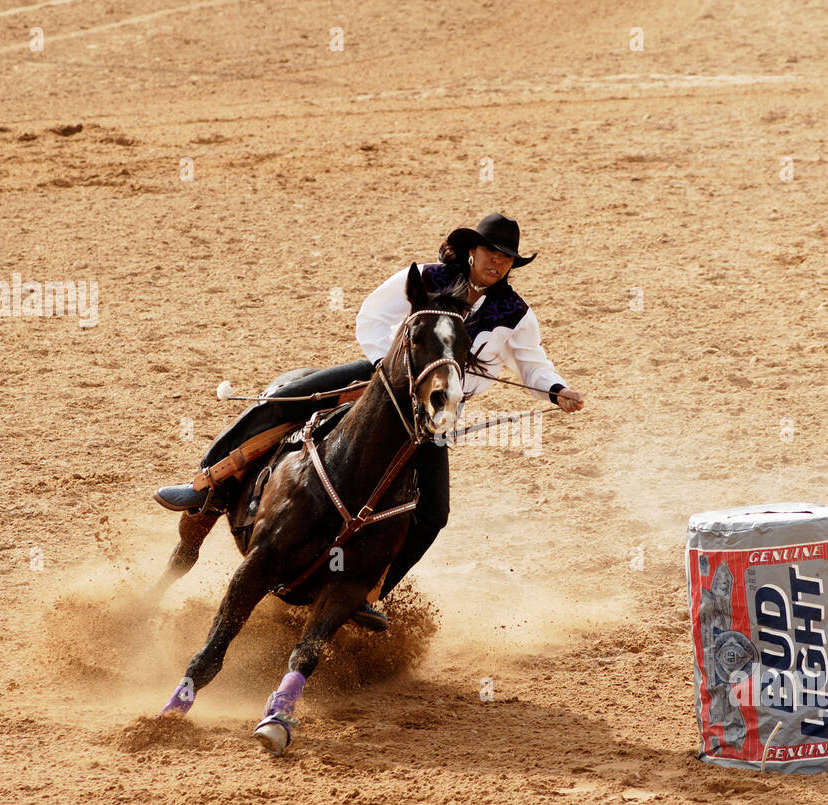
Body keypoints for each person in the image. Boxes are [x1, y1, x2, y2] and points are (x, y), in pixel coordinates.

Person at [155, 213, 585, 628]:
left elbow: (532, 363)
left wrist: (555, 390)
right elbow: (372, 316)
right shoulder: (426, 280)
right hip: (381, 378)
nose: (498, 262)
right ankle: (208, 483)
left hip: (432, 413)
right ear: (470, 251)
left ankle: (368, 592)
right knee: (285, 398)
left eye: (507, 257)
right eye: (490, 251)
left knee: (434, 513)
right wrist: (388, 370)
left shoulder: (514, 313)